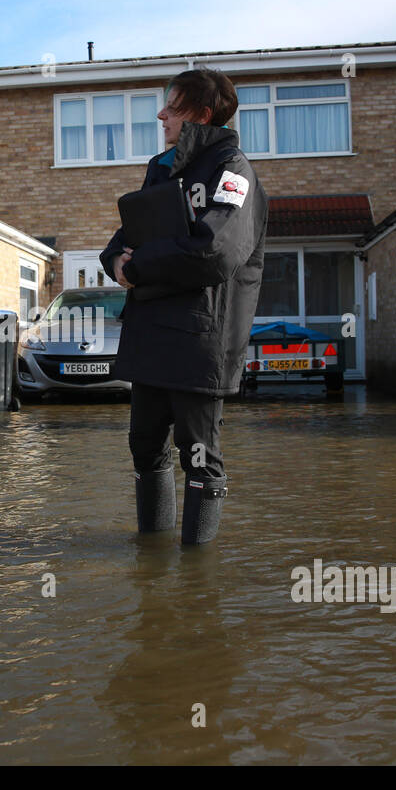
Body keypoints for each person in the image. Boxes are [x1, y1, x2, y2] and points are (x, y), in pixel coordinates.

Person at [100, 68, 268, 545]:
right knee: (144, 446)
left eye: (171, 107)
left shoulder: (233, 169)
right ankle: (152, 561)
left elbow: (215, 252)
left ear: (202, 114)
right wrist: (116, 262)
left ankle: (197, 581)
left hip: (200, 340)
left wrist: (141, 263)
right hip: (151, 332)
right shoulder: (162, 167)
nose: (161, 115)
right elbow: (124, 238)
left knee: (197, 452)